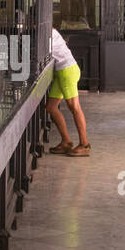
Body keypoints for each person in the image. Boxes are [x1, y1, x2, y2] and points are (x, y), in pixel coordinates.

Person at [45, 27, 89, 156]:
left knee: (74, 107)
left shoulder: (47, 34)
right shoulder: (51, 31)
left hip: (67, 71)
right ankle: (66, 142)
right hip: (63, 71)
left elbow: (41, 53)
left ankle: (85, 144)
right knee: (51, 107)